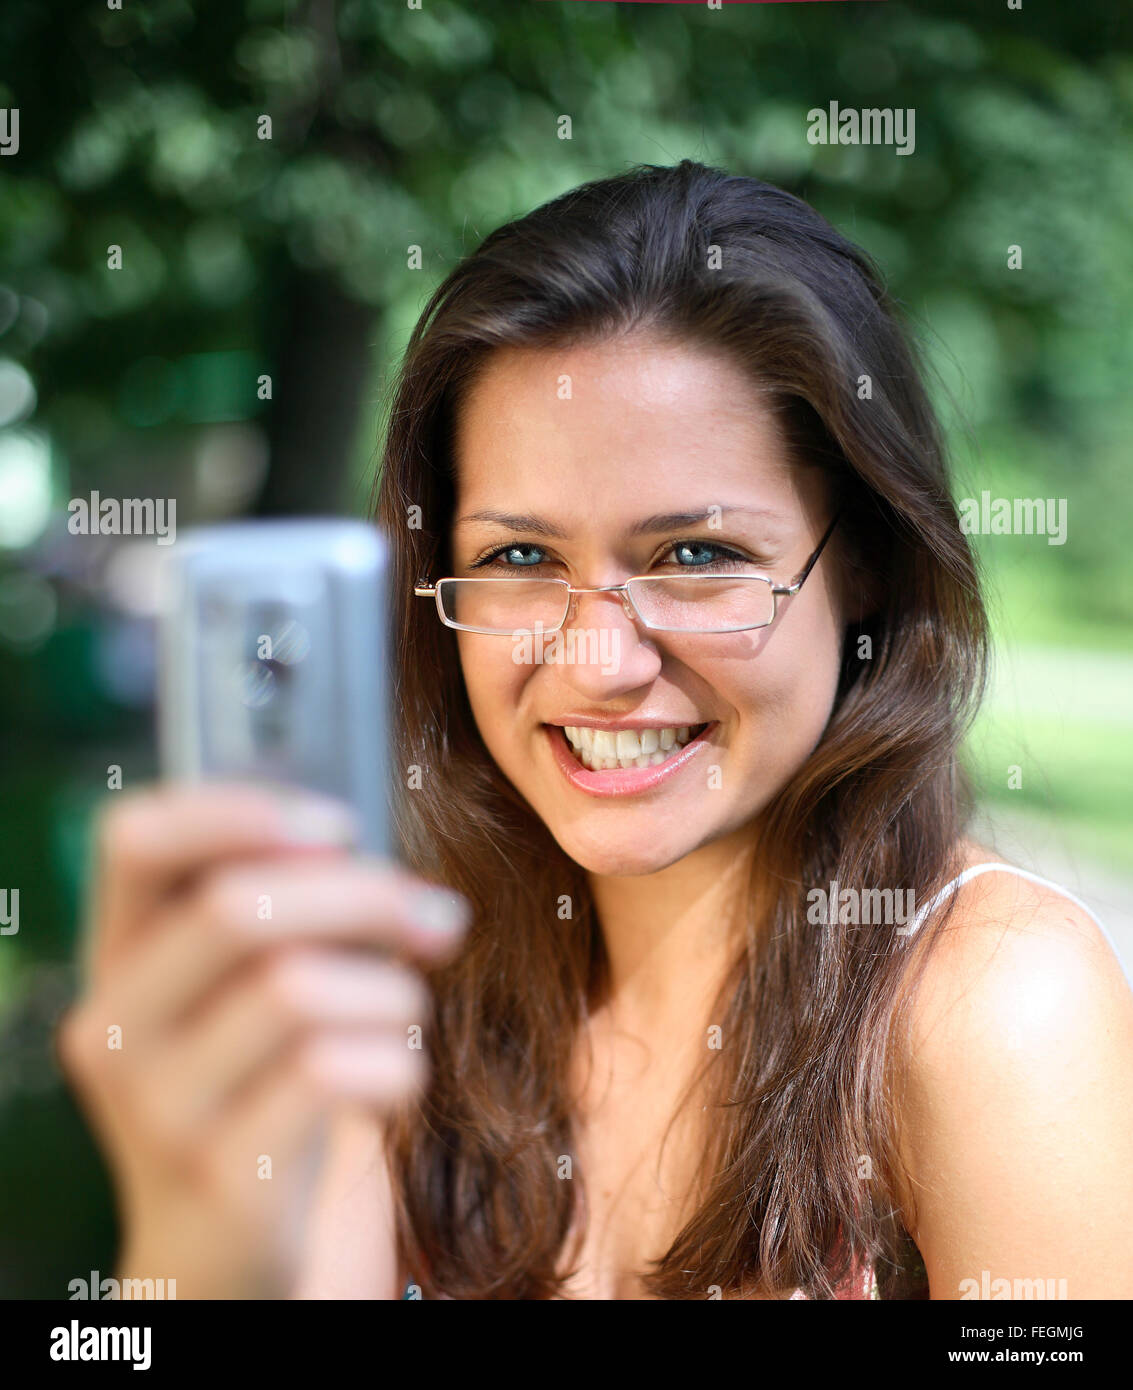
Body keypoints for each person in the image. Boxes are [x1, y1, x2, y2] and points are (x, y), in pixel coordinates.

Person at [57, 161, 1133, 1300]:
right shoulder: (404, 1000)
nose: (598, 664)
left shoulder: (988, 1003)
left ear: (859, 563)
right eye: (519, 558)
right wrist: (194, 1243)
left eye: (697, 555)